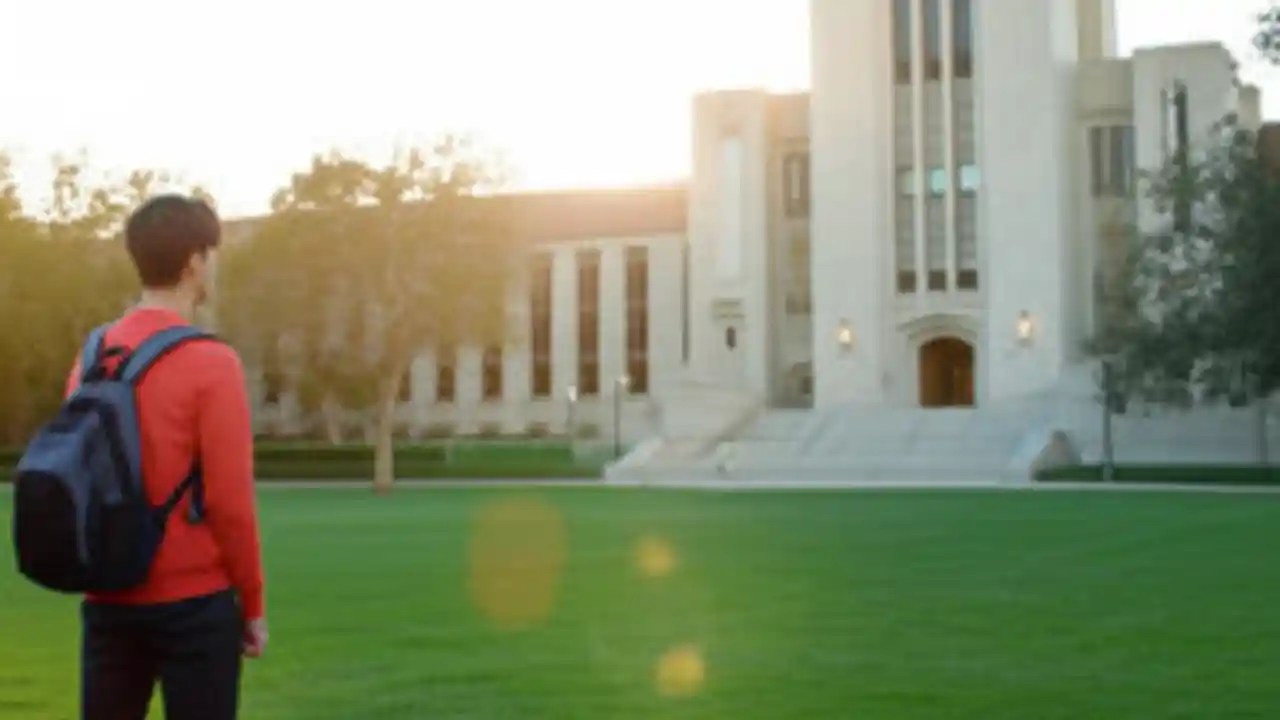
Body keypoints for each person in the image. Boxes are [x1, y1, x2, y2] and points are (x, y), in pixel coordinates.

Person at [67, 195, 267, 720]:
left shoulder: (91, 356)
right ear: (195, 263)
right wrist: (253, 605)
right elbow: (230, 503)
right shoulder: (211, 363)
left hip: (108, 598)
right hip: (193, 605)